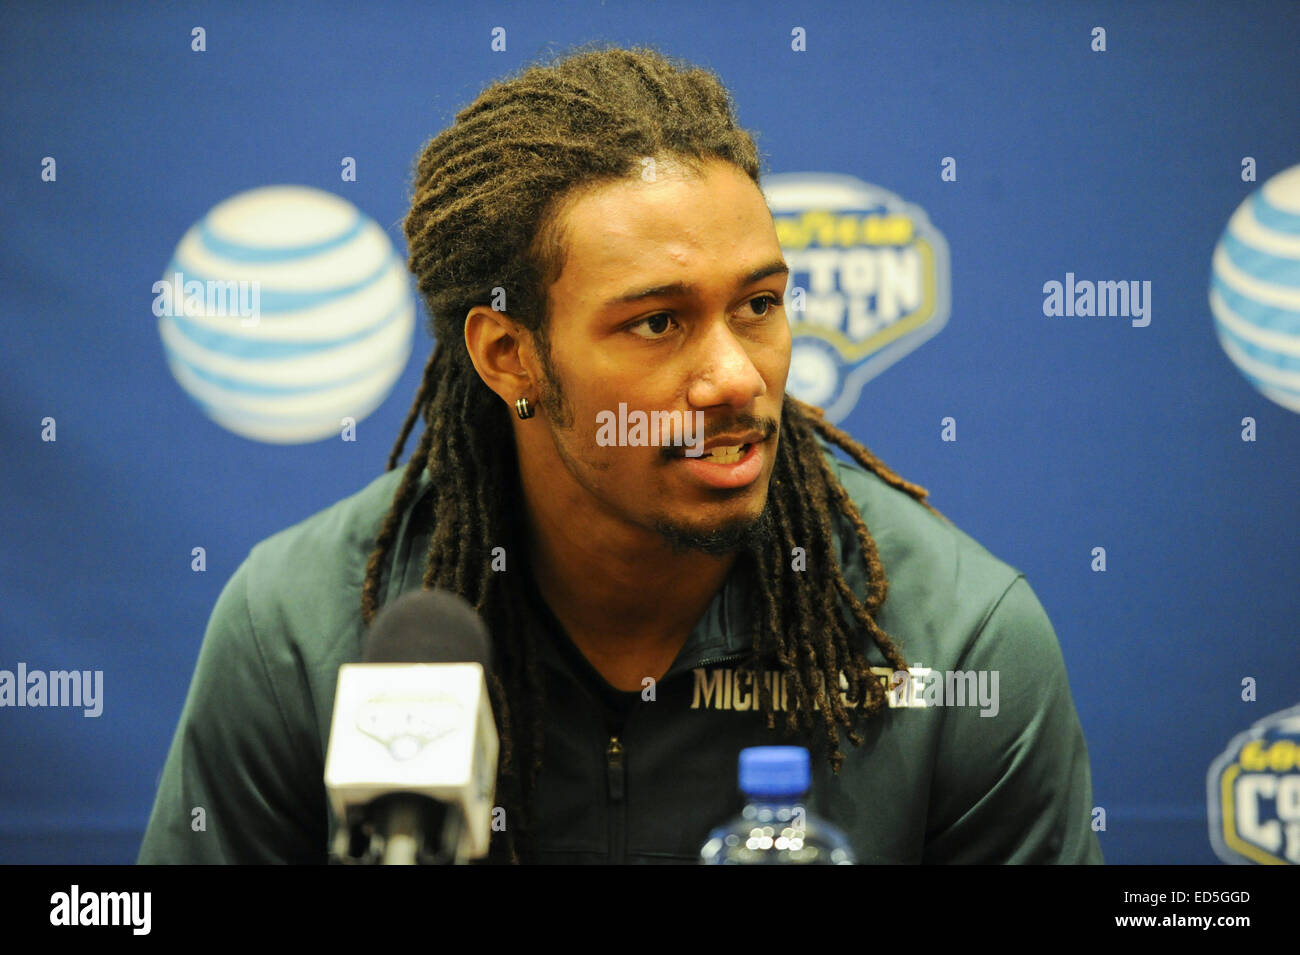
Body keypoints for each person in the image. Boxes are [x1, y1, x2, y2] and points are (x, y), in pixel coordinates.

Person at [138, 43, 1103, 864]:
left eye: (759, 305)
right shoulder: (301, 631)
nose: (734, 377)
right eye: (657, 322)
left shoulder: (957, 645)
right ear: (509, 354)